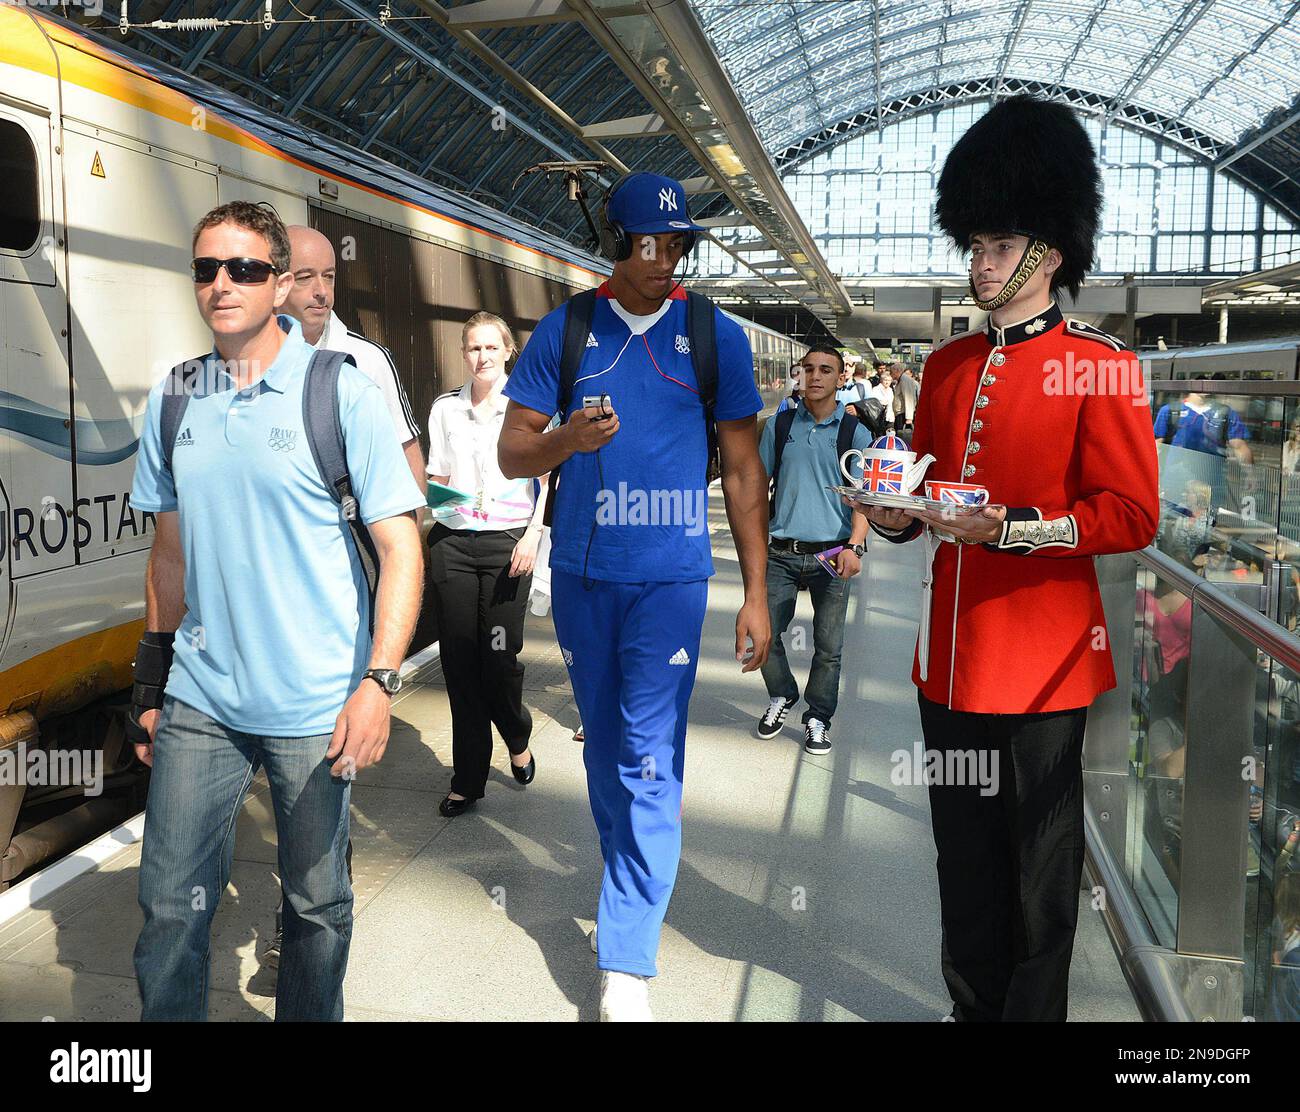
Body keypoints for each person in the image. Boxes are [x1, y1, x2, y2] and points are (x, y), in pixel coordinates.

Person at [862, 97, 1159, 1022]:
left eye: (998, 247)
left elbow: (1132, 513)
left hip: (1042, 668)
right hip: (948, 662)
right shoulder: (947, 368)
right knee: (965, 859)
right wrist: (895, 514)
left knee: (1039, 876)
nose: (979, 263)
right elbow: (931, 497)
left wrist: (1016, 528)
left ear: (1049, 256)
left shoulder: (1102, 365)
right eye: (975, 245)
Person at [127, 201, 426, 1021]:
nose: (221, 285)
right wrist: (151, 685)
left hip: (316, 703)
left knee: (315, 907)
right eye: (206, 268)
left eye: (245, 269)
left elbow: (402, 548)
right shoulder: (177, 397)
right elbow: (170, 555)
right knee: (167, 910)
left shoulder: (341, 393)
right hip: (202, 698)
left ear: (282, 282)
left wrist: (378, 683)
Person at [497, 171, 771, 1022]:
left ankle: (626, 960)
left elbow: (740, 469)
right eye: (650, 243)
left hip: (671, 580)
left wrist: (756, 591)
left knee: (650, 757)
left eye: (678, 243)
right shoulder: (566, 333)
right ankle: (628, 901)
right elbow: (512, 455)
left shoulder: (714, 336)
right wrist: (567, 441)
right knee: (608, 750)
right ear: (615, 244)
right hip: (583, 577)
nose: (665, 259)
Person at [426, 311, 547, 816]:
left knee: (497, 660)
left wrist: (533, 535)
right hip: (453, 543)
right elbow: (435, 474)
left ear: (507, 351)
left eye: (491, 348)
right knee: (459, 663)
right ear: (463, 353)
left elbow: (550, 477)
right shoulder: (444, 410)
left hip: (507, 545)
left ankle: (516, 734)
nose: (482, 357)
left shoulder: (528, 410)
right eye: (473, 348)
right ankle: (467, 780)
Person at [756, 346, 872, 754]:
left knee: (829, 647)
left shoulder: (855, 434)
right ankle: (783, 693)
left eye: (826, 370)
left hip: (833, 554)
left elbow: (863, 499)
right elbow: (756, 486)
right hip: (782, 551)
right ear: (799, 375)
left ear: (841, 379)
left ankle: (818, 718)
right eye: (808, 369)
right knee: (763, 635)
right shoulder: (780, 424)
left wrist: (855, 547)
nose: (816, 376)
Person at [283, 225, 426, 495]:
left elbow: (405, 453)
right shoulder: (246, 363)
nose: (321, 291)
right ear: (277, 284)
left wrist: (411, 533)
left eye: (329, 276)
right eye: (305, 277)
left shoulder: (369, 359)